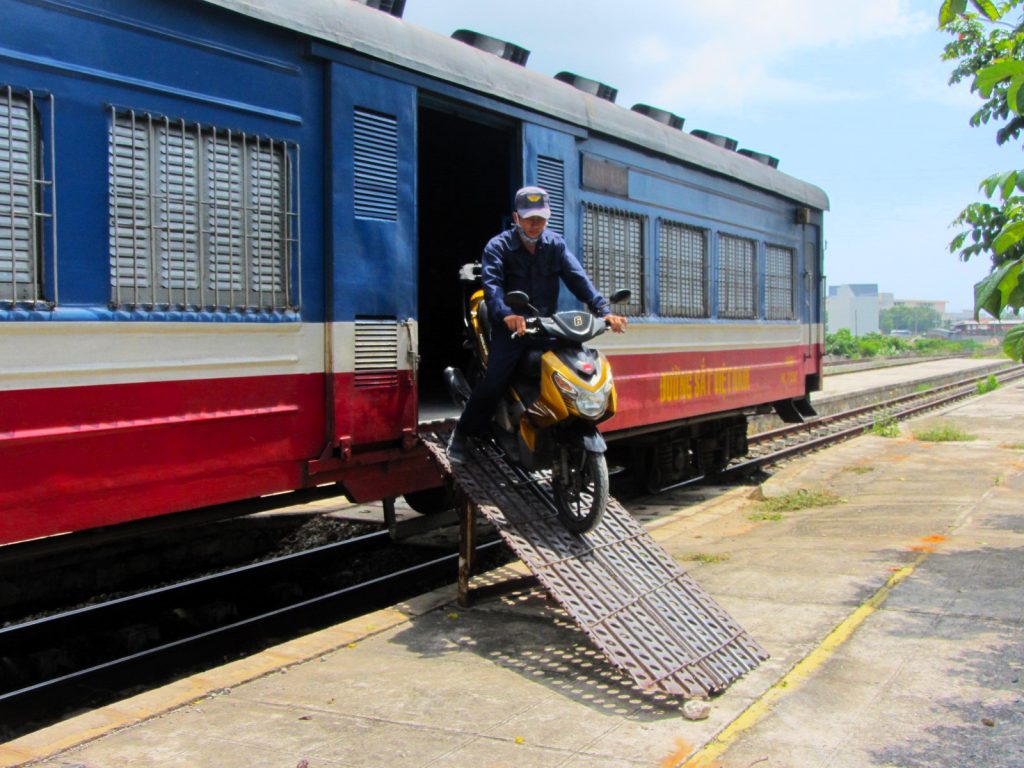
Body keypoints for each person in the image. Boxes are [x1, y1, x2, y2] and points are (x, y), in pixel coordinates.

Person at [447, 186, 628, 463]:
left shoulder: (554, 245)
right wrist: (508, 313)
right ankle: (462, 434)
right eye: (529, 217)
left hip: (544, 328)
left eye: (540, 218)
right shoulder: (498, 247)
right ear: (516, 217)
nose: (535, 224)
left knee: (570, 367)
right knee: (494, 383)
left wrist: (603, 310)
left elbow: (577, 278)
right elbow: (492, 286)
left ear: (548, 217)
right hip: (511, 330)